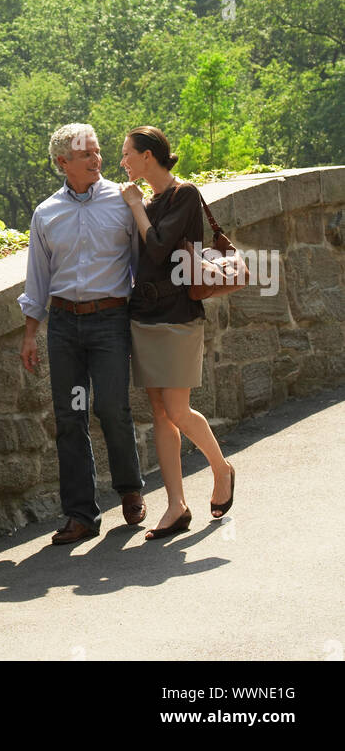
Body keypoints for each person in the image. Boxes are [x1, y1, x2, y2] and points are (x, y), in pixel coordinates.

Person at [19, 122, 146, 545]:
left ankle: (129, 489)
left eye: (97, 151)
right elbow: (37, 280)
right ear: (63, 163)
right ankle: (81, 515)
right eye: (86, 154)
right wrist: (30, 333)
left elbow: (140, 264)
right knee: (69, 419)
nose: (97, 160)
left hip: (110, 321)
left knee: (111, 407)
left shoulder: (123, 201)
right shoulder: (46, 213)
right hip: (64, 327)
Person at [119, 126, 236, 539]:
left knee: (178, 409)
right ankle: (176, 506)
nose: (123, 163)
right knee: (160, 414)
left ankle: (221, 469)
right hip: (144, 315)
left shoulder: (183, 194)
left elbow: (159, 246)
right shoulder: (149, 200)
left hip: (178, 314)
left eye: (127, 154)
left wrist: (134, 206)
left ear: (147, 156)